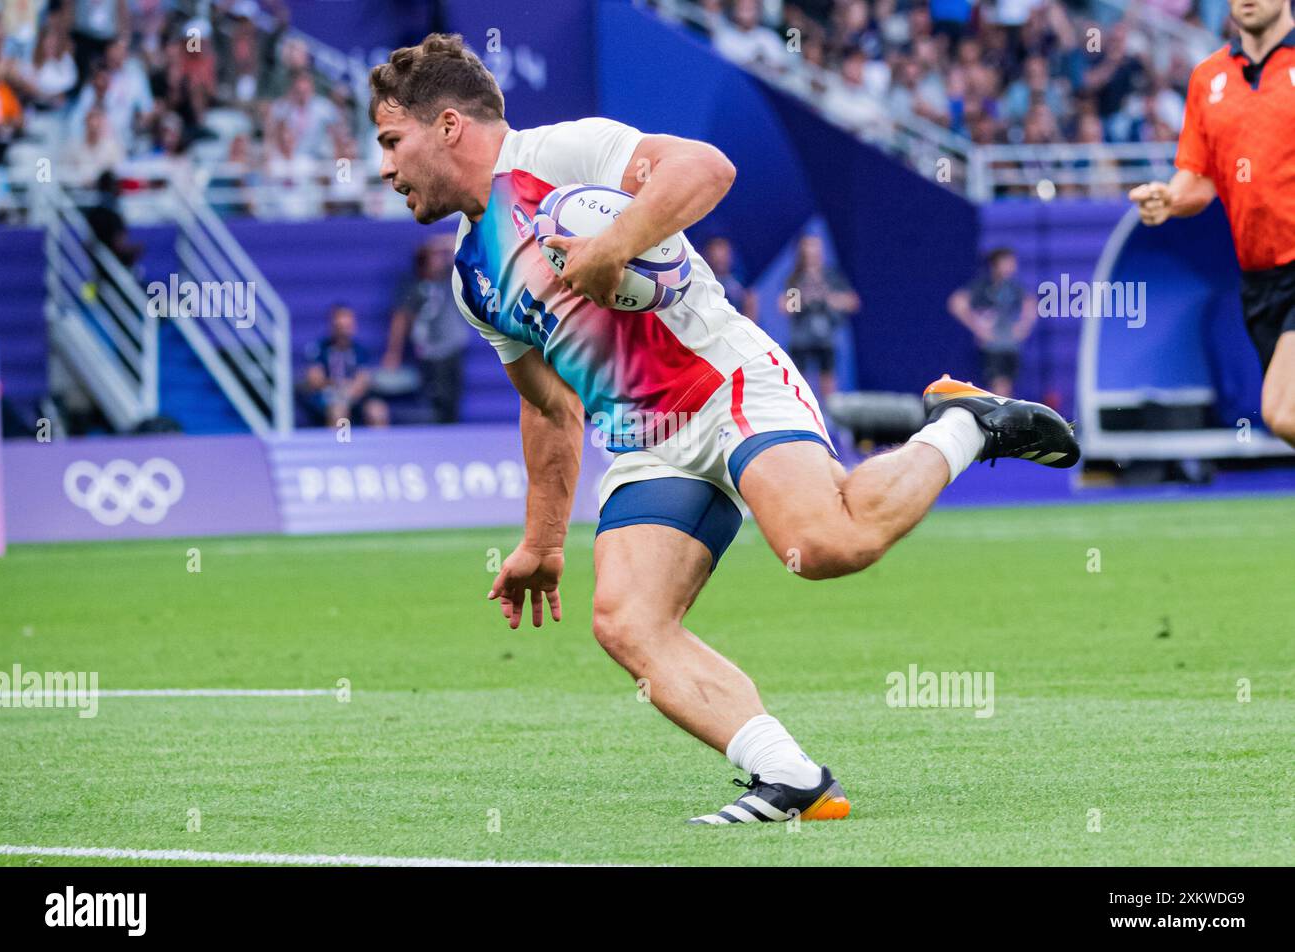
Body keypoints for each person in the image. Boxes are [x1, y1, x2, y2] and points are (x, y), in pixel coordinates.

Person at [370, 33, 1079, 825]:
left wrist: (614, 244)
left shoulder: (561, 154)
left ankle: (964, 426)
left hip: (723, 383)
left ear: (448, 126)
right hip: (645, 440)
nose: (384, 167)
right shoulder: (471, 276)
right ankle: (792, 779)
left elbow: (707, 168)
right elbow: (549, 406)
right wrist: (541, 543)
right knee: (627, 621)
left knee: (825, 546)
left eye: (391, 141)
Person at [1129, 0, 1295, 448]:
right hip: (1261, 282)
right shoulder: (1208, 77)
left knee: (1283, 412)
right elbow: (1198, 178)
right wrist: (1169, 199)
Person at [382, 234, 470, 423]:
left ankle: (452, 432)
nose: (440, 260)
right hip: (429, 352)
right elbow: (400, 319)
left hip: (451, 347)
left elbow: (461, 242)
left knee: (452, 399)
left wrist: (436, 244)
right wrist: (393, 352)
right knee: (434, 401)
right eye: (434, 257)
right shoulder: (413, 286)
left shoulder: (449, 277)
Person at [947, 247, 1037, 397]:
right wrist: (977, 327)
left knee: (1007, 387)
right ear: (995, 265)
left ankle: (1003, 411)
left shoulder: (1015, 287)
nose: (1012, 266)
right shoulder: (982, 286)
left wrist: (1023, 327)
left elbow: (1031, 305)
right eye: (1007, 262)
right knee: (998, 386)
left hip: (1011, 346)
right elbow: (956, 303)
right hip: (992, 347)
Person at [779, 234, 859, 400]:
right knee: (799, 381)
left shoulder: (831, 276)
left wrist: (829, 298)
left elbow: (852, 302)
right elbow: (787, 308)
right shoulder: (795, 279)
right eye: (808, 248)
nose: (813, 252)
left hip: (825, 338)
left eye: (816, 247)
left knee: (828, 382)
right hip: (801, 339)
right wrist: (804, 298)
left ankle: (830, 414)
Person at [301, 304, 390, 428]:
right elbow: (314, 379)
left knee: (377, 411)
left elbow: (363, 380)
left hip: (353, 395)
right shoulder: (319, 349)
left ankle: (379, 441)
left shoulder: (360, 350)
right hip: (327, 397)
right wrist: (336, 385)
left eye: (347, 327)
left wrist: (350, 391)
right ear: (332, 327)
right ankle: (340, 440)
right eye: (340, 328)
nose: (344, 333)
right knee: (339, 413)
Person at [701, 236, 758, 325]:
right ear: (707, 256)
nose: (720, 258)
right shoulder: (706, 283)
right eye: (715, 254)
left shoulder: (740, 280)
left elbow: (750, 305)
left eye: (724, 252)